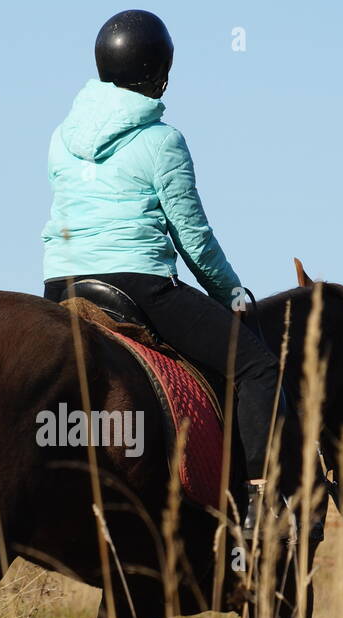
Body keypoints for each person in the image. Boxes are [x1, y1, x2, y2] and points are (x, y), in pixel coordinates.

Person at [41, 9, 285, 538]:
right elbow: (192, 237)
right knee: (258, 367)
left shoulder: (62, 135)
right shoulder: (163, 140)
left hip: (59, 286)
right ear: (160, 72)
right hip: (137, 284)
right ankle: (257, 506)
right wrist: (233, 293)